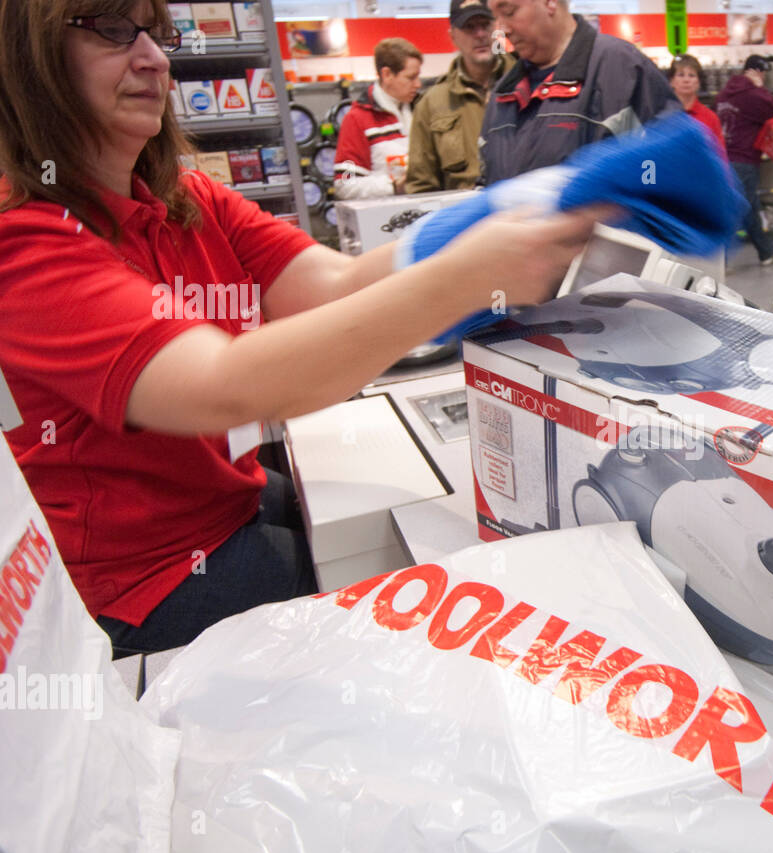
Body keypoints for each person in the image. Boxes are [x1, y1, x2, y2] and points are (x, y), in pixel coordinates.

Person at [0, 0, 602, 657]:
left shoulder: (187, 198)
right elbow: (225, 386)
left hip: (227, 503)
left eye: (158, 33)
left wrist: (488, 220)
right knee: (401, 618)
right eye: (116, 30)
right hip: (149, 583)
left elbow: (337, 285)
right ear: (31, 57)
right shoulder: (24, 243)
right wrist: (463, 277)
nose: (154, 58)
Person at [479, 0, 678, 185]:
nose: (501, 29)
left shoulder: (623, 70)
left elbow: (663, 170)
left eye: (509, 12)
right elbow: (487, 178)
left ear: (550, 2)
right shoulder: (502, 94)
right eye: (495, 17)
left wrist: (602, 215)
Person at [406, 0, 514, 193]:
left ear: (496, 27)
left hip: (526, 213)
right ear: (453, 36)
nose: (479, 34)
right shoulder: (432, 104)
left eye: (484, 25)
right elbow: (421, 186)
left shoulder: (526, 81)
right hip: (465, 218)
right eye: (469, 27)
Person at [717, 54, 773, 266]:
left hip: (724, 156)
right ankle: (721, 259)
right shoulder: (752, 95)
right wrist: (760, 88)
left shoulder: (724, 93)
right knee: (742, 208)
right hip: (744, 159)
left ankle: (767, 251)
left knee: (745, 205)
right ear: (758, 72)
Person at [334, 38, 424, 199]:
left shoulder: (422, 109)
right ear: (387, 74)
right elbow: (345, 183)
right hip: (387, 218)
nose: (418, 84)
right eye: (411, 77)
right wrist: (394, 186)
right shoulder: (357, 120)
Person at [668, 54, 724, 156]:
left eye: (691, 75)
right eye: (681, 75)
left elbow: (720, 158)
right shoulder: (662, 116)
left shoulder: (710, 118)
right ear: (671, 81)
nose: (686, 80)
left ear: (698, 82)